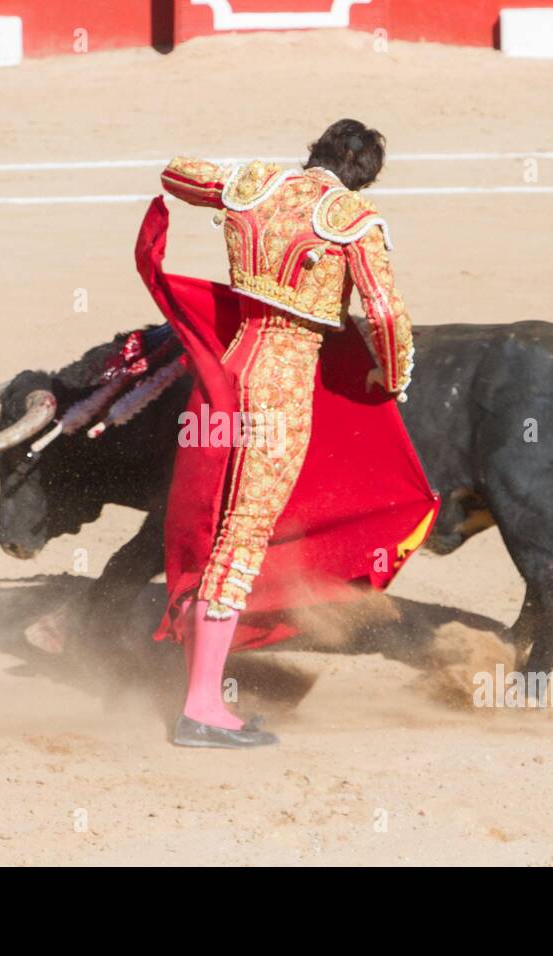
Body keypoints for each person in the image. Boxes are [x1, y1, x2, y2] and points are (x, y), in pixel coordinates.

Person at [153, 119, 420, 749]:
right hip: (280, 389)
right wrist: (393, 373)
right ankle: (199, 710)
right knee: (242, 537)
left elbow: (176, 172)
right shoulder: (354, 218)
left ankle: (207, 697)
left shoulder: (254, 183)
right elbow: (384, 313)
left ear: (315, 154)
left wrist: (252, 178)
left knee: (219, 526)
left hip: (224, 373)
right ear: (365, 175)